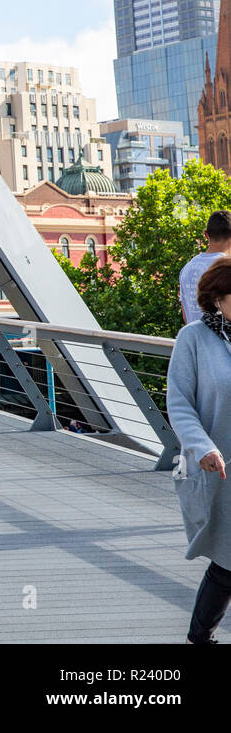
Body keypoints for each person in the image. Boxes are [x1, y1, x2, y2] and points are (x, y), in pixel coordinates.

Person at [167, 256, 231, 643]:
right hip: (220, 466)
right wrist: (201, 447)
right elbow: (179, 402)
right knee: (227, 561)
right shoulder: (193, 338)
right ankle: (200, 637)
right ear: (218, 298)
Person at [180, 211, 231, 324]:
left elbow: (186, 315)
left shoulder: (186, 269)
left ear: (206, 234)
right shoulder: (227, 267)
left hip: (195, 340)